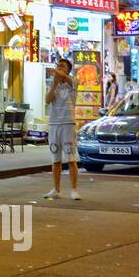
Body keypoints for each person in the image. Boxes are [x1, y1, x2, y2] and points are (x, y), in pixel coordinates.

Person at [44, 58, 81, 200]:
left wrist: (58, 74)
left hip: (68, 123)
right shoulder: (54, 84)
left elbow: (68, 79)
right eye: (57, 66)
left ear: (68, 70)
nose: (58, 68)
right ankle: (56, 189)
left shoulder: (73, 82)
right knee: (55, 158)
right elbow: (47, 100)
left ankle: (74, 189)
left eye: (62, 66)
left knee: (71, 158)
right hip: (54, 124)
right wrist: (54, 84)